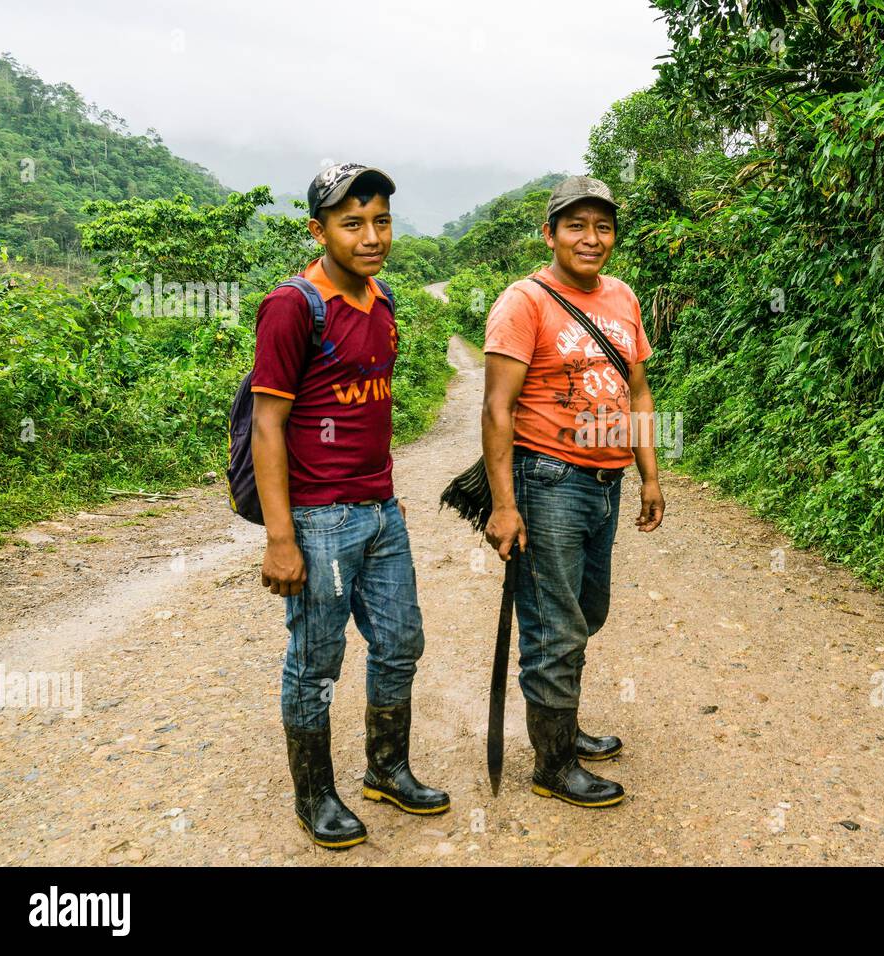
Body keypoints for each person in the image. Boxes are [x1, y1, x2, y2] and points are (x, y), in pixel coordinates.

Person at [251, 163, 448, 849]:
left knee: (400, 643)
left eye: (382, 221)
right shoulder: (293, 306)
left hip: (381, 509)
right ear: (319, 229)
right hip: (319, 518)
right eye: (353, 222)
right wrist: (281, 537)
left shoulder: (384, 300)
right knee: (316, 659)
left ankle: (386, 768)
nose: (372, 236)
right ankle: (314, 797)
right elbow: (268, 424)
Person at [481, 175, 665, 808]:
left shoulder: (621, 297)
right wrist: (505, 505)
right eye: (577, 226)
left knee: (588, 613)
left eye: (603, 227)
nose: (592, 239)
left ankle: (563, 727)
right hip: (548, 482)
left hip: (607, 482)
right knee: (556, 625)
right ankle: (552, 764)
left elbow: (638, 391)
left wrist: (649, 473)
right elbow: (497, 408)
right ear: (551, 234)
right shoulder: (523, 302)